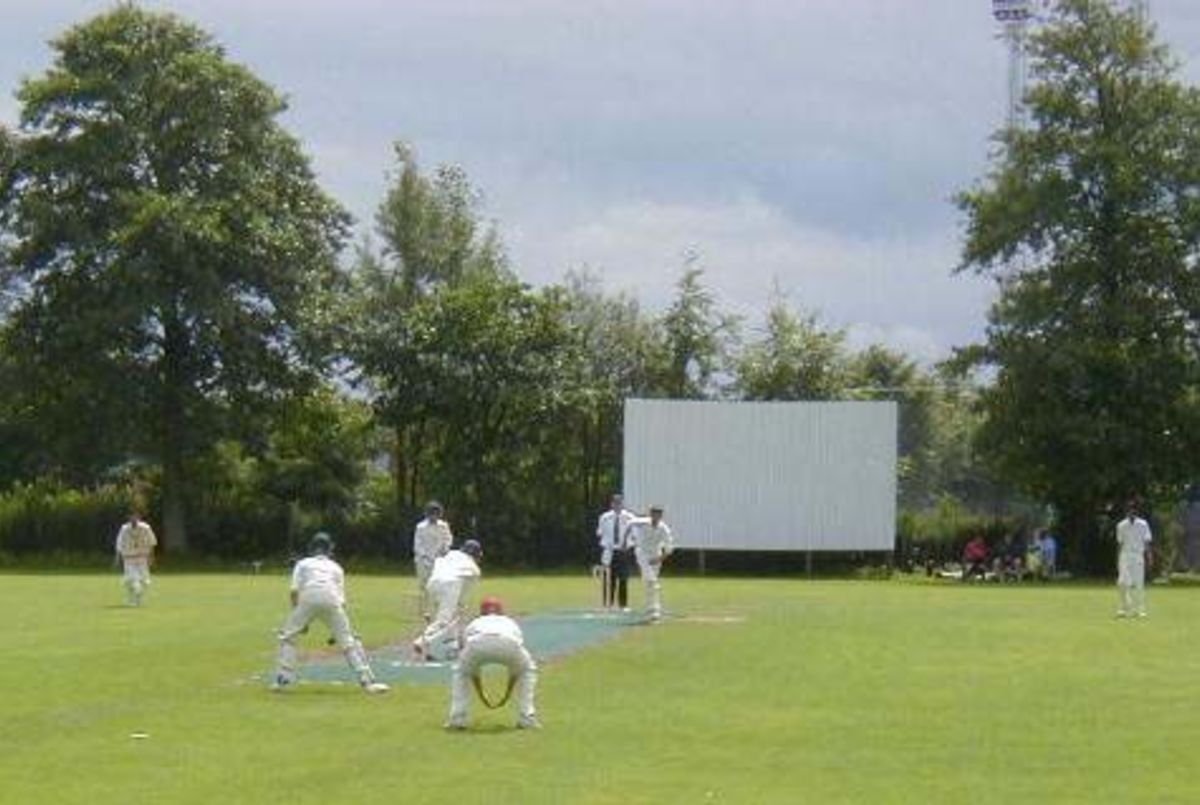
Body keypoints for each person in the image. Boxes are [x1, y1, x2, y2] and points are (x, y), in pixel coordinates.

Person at [270, 532, 390, 693]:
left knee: (288, 637)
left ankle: (283, 680)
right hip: (332, 599)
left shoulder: (303, 563)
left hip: (308, 597)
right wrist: (338, 630)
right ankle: (368, 681)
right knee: (348, 642)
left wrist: (298, 619)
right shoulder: (336, 567)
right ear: (329, 549)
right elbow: (341, 602)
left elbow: (294, 592)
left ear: (312, 548)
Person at [445, 596, 540, 731]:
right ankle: (527, 717)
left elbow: (465, 652)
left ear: (481, 612)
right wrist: (505, 694)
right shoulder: (509, 622)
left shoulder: (475, 622)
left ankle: (458, 718)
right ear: (501, 611)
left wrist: (483, 694)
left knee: (461, 672)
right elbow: (517, 661)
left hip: (477, 643)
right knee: (527, 670)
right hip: (508, 642)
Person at [413, 539, 483, 661]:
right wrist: (462, 606)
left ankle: (446, 647)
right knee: (445, 621)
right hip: (450, 585)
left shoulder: (450, 554)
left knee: (444, 618)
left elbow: (437, 561)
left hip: (432, 583)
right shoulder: (474, 570)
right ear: (476, 555)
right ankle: (421, 642)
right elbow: (463, 596)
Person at [624, 505, 675, 622]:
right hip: (642, 553)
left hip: (656, 555)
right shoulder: (642, 522)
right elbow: (629, 524)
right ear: (650, 514)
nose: (656, 516)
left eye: (658, 514)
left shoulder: (664, 528)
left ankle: (649, 608)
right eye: (654, 514)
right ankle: (655, 609)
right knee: (652, 581)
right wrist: (625, 541)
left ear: (661, 516)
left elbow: (669, 549)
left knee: (650, 583)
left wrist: (658, 559)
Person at [413, 501, 454, 621]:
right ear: (427, 514)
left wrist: (445, 549)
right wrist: (425, 557)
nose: (434, 516)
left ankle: (439, 610)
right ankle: (425, 611)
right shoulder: (420, 527)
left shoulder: (444, 526)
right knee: (424, 586)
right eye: (432, 514)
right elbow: (417, 544)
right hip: (423, 561)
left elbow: (448, 539)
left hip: (440, 560)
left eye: (437, 514)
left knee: (439, 584)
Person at [595, 493, 634, 610]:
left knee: (623, 578)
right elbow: (600, 533)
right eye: (615, 502)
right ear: (611, 504)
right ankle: (608, 604)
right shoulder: (604, 517)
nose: (617, 505)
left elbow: (634, 534)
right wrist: (607, 543)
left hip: (623, 551)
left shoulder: (630, 517)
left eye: (619, 502)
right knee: (608, 579)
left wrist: (628, 544)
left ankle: (623, 605)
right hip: (609, 551)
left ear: (622, 503)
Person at [1115, 501, 1153, 618]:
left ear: (1136, 511)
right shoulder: (1121, 525)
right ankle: (1123, 608)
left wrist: (1149, 556)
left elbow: (1147, 542)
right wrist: (1118, 559)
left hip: (1138, 555)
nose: (1131, 512)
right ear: (1126, 511)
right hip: (1125, 555)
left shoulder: (1143, 524)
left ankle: (1140, 610)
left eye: (1133, 510)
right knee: (1122, 582)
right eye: (1129, 510)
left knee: (1139, 583)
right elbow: (1120, 544)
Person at [114, 510, 158, 606]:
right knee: (131, 579)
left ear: (139, 517)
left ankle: (138, 599)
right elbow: (119, 543)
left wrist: (152, 557)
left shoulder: (146, 528)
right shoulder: (124, 529)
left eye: (135, 516)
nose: (133, 518)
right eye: (131, 516)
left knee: (145, 581)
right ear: (129, 518)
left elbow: (152, 542)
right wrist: (117, 557)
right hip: (128, 558)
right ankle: (131, 599)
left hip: (142, 557)